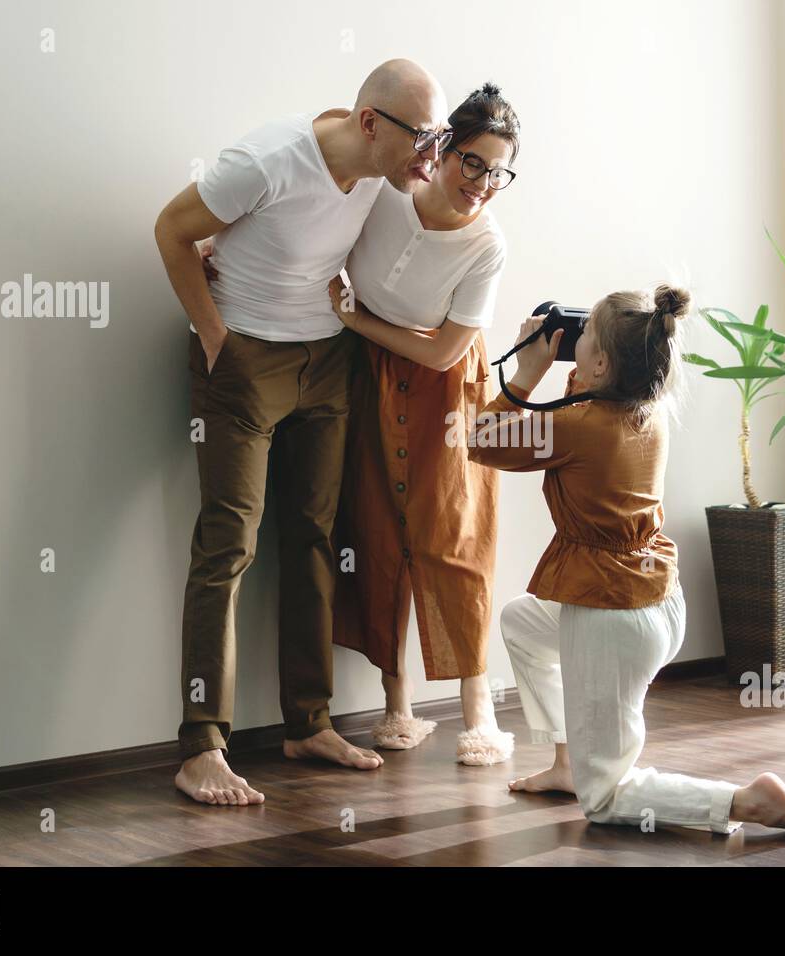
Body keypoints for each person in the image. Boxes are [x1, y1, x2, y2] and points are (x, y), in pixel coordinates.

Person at [154, 59, 451, 806]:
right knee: (230, 543)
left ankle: (308, 722)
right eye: (424, 138)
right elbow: (172, 229)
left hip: (329, 362)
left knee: (316, 537)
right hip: (246, 360)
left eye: (439, 137)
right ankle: (201, 748)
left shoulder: (385, 170)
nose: (432, 157)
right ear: (371, 124)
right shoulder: (267, 160)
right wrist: (215, 335)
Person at [469, 286, 785, 835]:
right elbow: (587, 400)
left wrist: (525, 372)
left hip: (611, 616)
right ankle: (568, 764)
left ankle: (744, 800)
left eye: (584, 339)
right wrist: (582, 360)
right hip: (657, 604)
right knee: (522, 623)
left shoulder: (577, 428)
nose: (572, 348)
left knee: (606, 799)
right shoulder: (647, 412)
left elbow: (481, 440)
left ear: (598, 363)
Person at [324, 83, 520, 765]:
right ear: (442, 149)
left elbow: (443, 349)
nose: (483, 185)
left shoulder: (487, 246)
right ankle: (396, 707)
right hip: (370, 372)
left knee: (453, 535)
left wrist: (358, 321)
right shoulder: (385, 188)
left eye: (499, 172)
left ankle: (478, 713)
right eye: (474, 163)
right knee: (377, 528)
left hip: (446, 383)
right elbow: (329, 128)